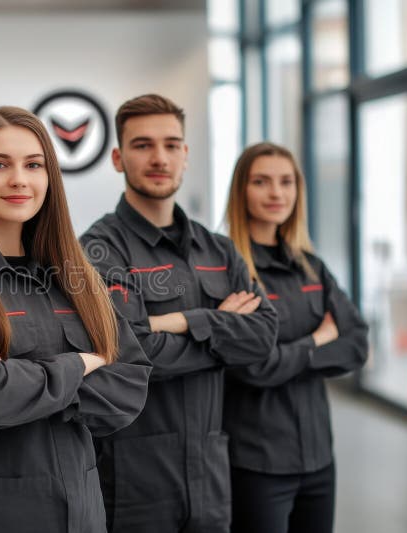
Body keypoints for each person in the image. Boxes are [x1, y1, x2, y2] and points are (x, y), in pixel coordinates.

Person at [0, 106, 151, 533]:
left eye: (33, 165)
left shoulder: (76, 278)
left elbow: (131, 382)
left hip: (85, 516)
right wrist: (80, 365)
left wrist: (20, 383)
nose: (19, 179)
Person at [80, 94, 278, 533]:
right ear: (117, 158)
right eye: (143, 145)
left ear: (186, 155)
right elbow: (129, 352)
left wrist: (188, 321)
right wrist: (224, 331)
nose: (159, 158)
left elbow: (264, 335)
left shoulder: (218, 248)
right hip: (134, 480)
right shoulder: (98, 249)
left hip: (209, 476)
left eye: (171, 145)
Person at [222, 142, 368, 533]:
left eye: (286, 182)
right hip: (258, 463)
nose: (276, 193)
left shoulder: (311, 267)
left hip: (319, 459)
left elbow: (356, 343)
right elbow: (252, 367)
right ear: (241, 191)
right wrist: (317, 341)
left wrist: (286, 357)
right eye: (261, 181)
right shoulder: (229, 270)